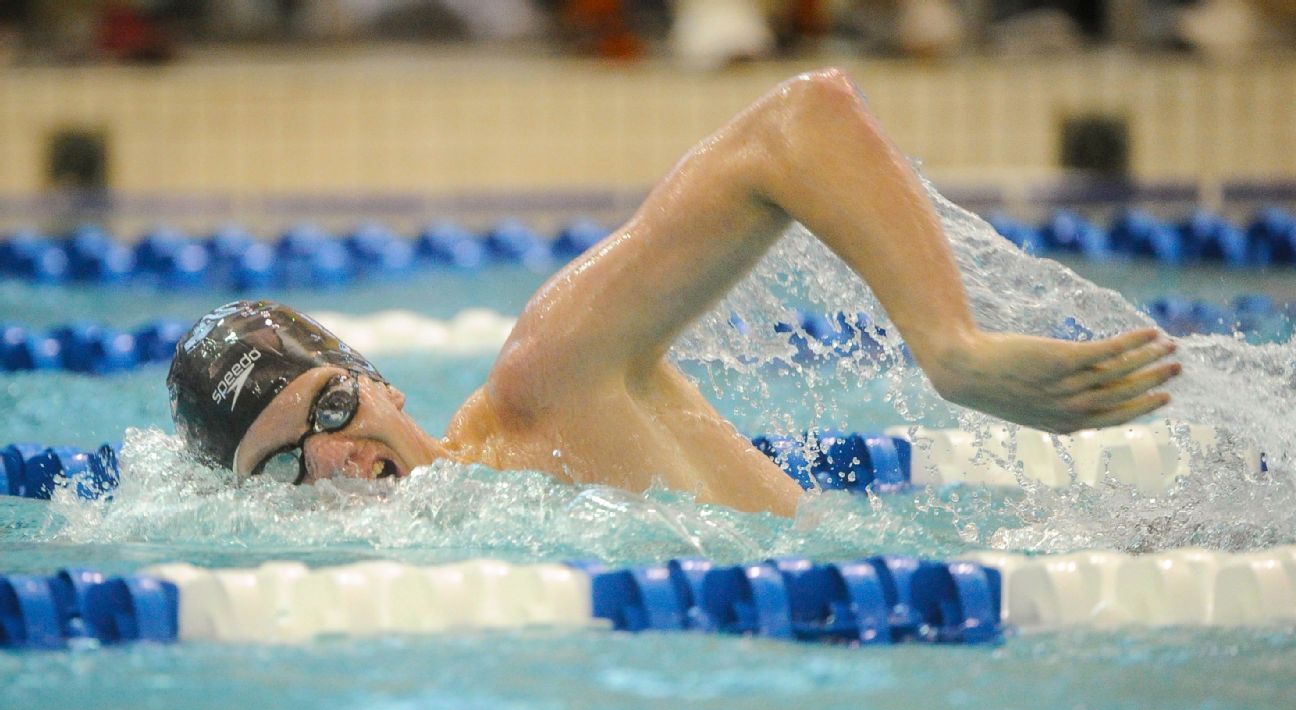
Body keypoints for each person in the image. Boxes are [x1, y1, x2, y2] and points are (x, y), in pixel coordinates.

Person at [167, 68, 1180, 517]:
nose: (335, 462)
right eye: (285, 471)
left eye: (330, 408)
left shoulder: (547, 387)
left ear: (379, 383)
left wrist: (952, 349)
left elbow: (801, 121)